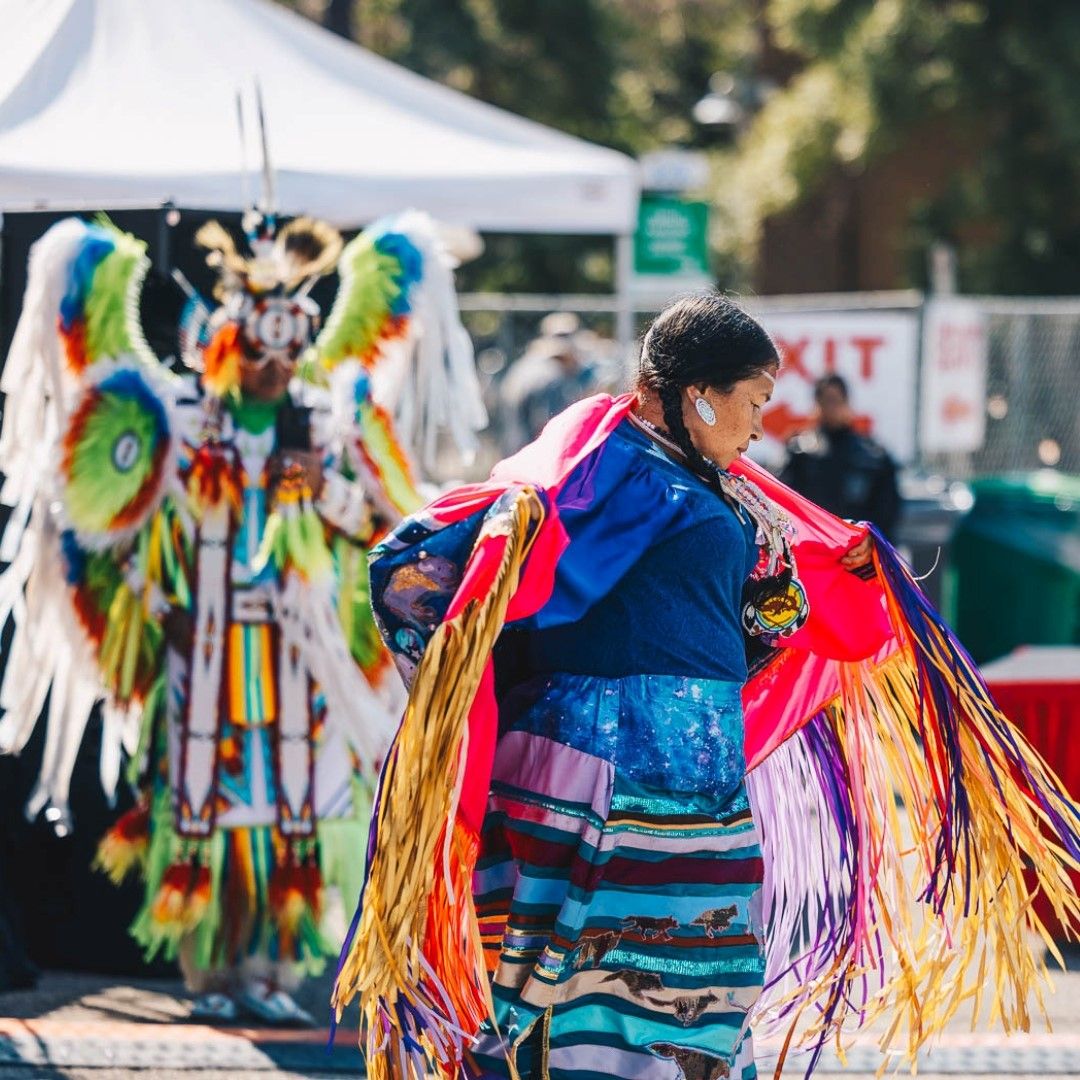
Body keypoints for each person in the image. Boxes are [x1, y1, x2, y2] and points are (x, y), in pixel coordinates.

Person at [333, 293, 1080, 1079]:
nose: (759, 424)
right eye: (753, 400)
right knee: (571, 995)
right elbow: (481, 559)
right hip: (600, 779)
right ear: (700, 394)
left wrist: (832, 576)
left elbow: (735, 624)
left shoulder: (711, 484)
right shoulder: (608, 469)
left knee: (696, 1002)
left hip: (696, 787)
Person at [0, 207, 485, 1024]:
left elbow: (382, 528)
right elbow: (130, 534)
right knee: (209, 805)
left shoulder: (323, 421)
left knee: (289, 808)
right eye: (258, 350)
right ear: (227, 342)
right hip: (206, 649)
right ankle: (214, 977)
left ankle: (270, 975)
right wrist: (162, 609)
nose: (274, 366)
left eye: (287, 350)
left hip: (302, 653)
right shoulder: (184, 421)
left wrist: (322, 491)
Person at [781, 373, 902, 538]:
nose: (832, 408)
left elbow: (888, 511)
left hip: (856, 545)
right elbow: (781, 502)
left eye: (836, 400)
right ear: (817, 405)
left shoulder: (873, 457)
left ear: (847, 403)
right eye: (826, 401)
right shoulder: (800, 452)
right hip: (810, 542)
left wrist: (868, 542)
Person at [497, 312, 597, 453]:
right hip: (535, 457)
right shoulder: (552, 377)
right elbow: (548, 428)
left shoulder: (523, 367)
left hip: (513, 453)